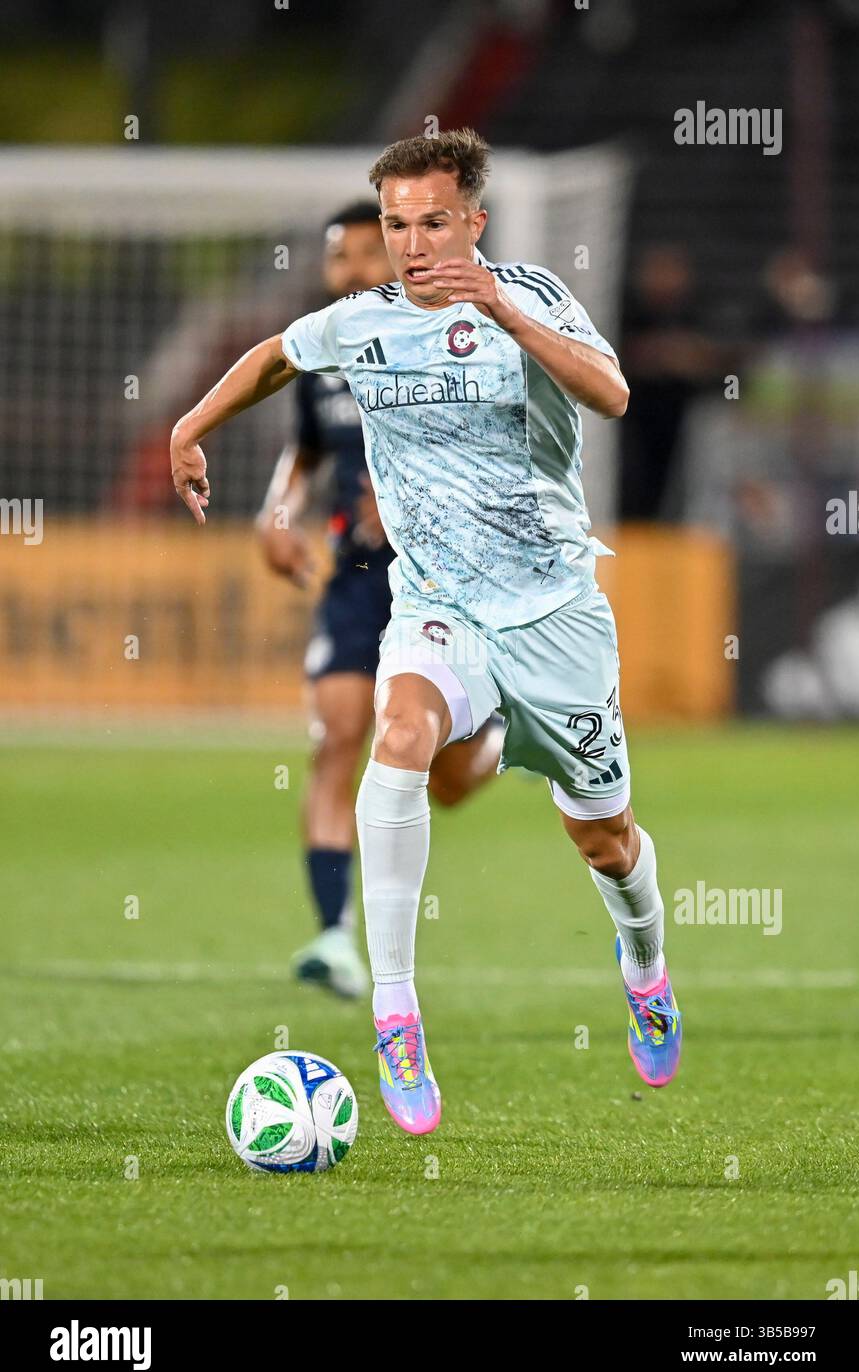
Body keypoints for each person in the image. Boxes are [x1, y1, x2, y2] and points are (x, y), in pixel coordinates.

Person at [170, 129, 682, 1136]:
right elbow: (277, 355)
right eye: (397, 224)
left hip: (551, 612)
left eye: (431, 221)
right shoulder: (362, 324)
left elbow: (612, 394)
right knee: (396, 744)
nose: (412, 243)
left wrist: (502, 312)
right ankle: (394, 1011)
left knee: (603, 836)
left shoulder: (528, 293)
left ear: (473, 222)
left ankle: (644, 964)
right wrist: (190, 426)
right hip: (436, 604)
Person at [256, 202, 502, 1000]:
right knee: (338, 739)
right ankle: (333, 937)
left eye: (374, 250)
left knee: (446, 780)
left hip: (445, 584)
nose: (357, 267)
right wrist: (277, 514)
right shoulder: (325, 355)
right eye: (342, 256)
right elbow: (306, 448)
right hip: (359, 586)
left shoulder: (444, 340)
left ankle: (502, 727)